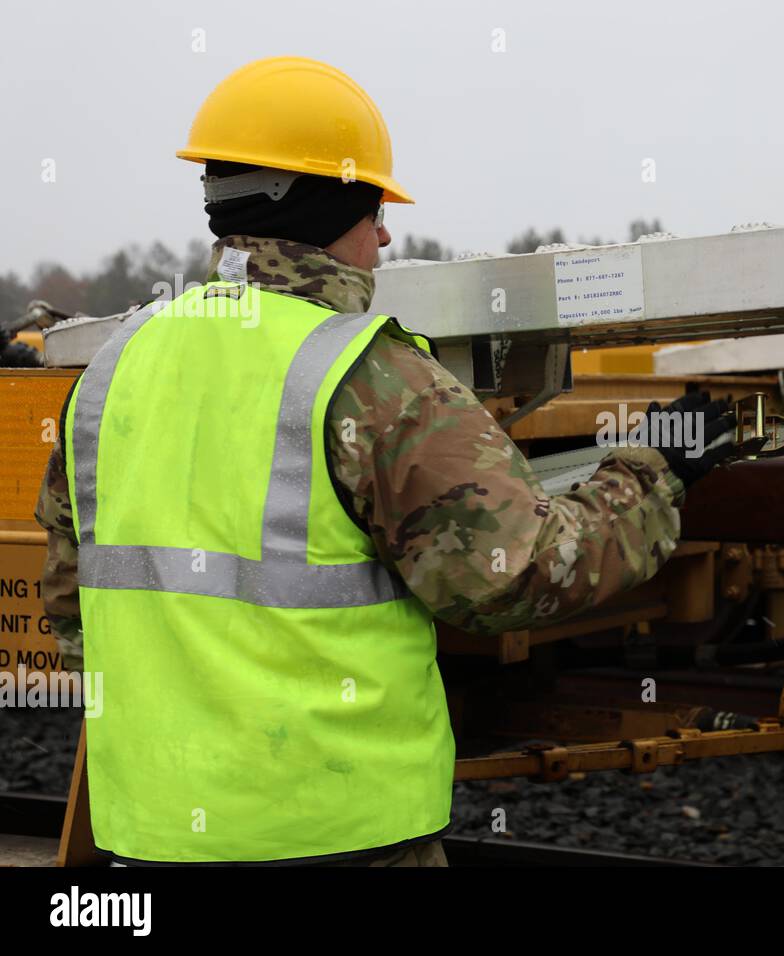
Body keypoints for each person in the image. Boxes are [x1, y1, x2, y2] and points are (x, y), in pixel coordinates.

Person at [34, 56, 733, 867]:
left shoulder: (113, 369)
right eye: (374, 210)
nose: (387, 235)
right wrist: (654, 475)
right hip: (339, 838)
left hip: (152, 841)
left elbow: (72, 606)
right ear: (327, 208)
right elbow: (514, 573)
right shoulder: (370, 376)